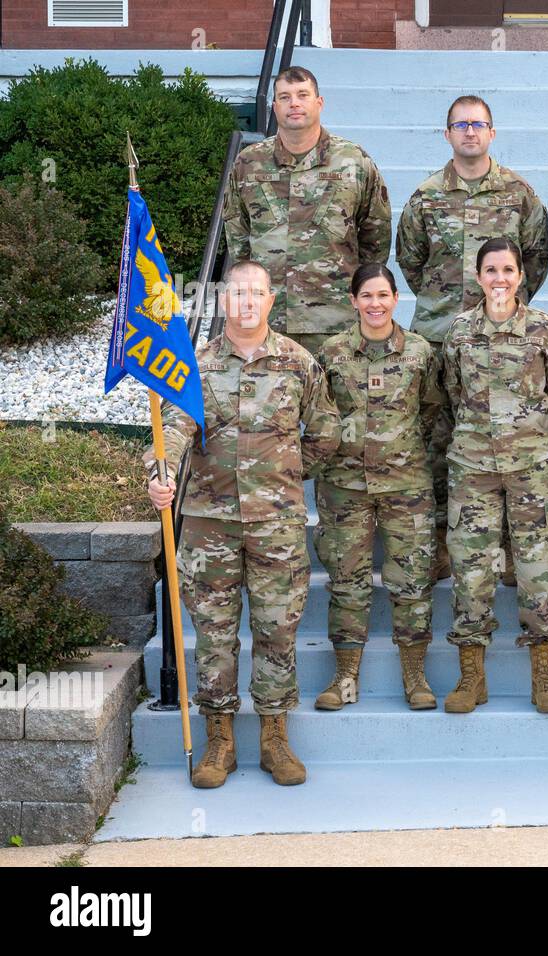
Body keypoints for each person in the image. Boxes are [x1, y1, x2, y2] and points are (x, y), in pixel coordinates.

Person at [146, 260, 341, 788]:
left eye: (257, 293)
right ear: (222, 300)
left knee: (278, 629)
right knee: (214, 634)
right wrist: (161, 474)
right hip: (210, 524)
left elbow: (325, 432)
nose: (247, 302)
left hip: (276, 524)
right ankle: (219, 741)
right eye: (238, 293)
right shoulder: (196, 363)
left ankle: (275, 737)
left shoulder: (299, 363)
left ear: (271, 299)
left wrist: (286, 473)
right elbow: (174, 429)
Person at [396, 95, 548, 583]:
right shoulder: (425, 197)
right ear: (447, 134)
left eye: (478, 124)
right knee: (441, 441)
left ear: (492, 132)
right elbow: (411, 261)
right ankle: (444, 539)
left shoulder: (519, 194)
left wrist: (504, 310)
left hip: (505, 340)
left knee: (507, 440)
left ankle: (506, 544)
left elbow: (535, 257)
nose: (469, 132)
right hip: (442, 337)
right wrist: (446, 307)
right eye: (460, 125)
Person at [440, 237, 548, 713]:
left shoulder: (545, 330)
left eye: (508, 270)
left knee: (536, 574)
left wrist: (532, 442)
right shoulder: (458, 333)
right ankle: (471, 677)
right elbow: (451, 393)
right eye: (491, 270)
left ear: (522, 276)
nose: (500, 279)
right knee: (472, 573)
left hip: (532, 470)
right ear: (478, 277)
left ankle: (545, 677)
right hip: (473, 469)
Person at [312, 263, 447, 713]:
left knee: (411, 583)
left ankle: (415, 675)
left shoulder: (420, 352)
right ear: (353, 301)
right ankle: (345, 676)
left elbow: (432, 410)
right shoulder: (331, 354)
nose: (375, 304)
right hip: (343, 487)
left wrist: (404, 454)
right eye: (366, 296)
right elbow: (317, 414)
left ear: (396, 299)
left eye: (383, 295)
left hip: (406, 487)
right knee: (347, 582)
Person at [223, 65, 392, 359]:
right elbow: (238, 236)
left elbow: (375, 236)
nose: (294, 104)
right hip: (268, 320)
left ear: (319, 102)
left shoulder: (353, 161)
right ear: (274, 107)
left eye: (303, 95)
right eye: (285, 97)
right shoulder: (249, 164)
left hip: (335, 322)